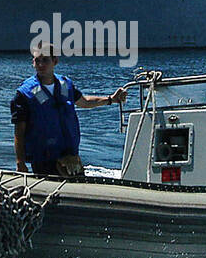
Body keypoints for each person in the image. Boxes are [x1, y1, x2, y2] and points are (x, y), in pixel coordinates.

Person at [12, 45, 127, 176]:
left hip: (70, 157)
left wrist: (111, 99)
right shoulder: (25, 93)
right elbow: (19, 132)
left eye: (45, 60)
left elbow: (85, 102)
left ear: (55, 61)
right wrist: (20, 162)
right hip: (44, 159)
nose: (40, 64)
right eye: (37, 61)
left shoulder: (65, 85)